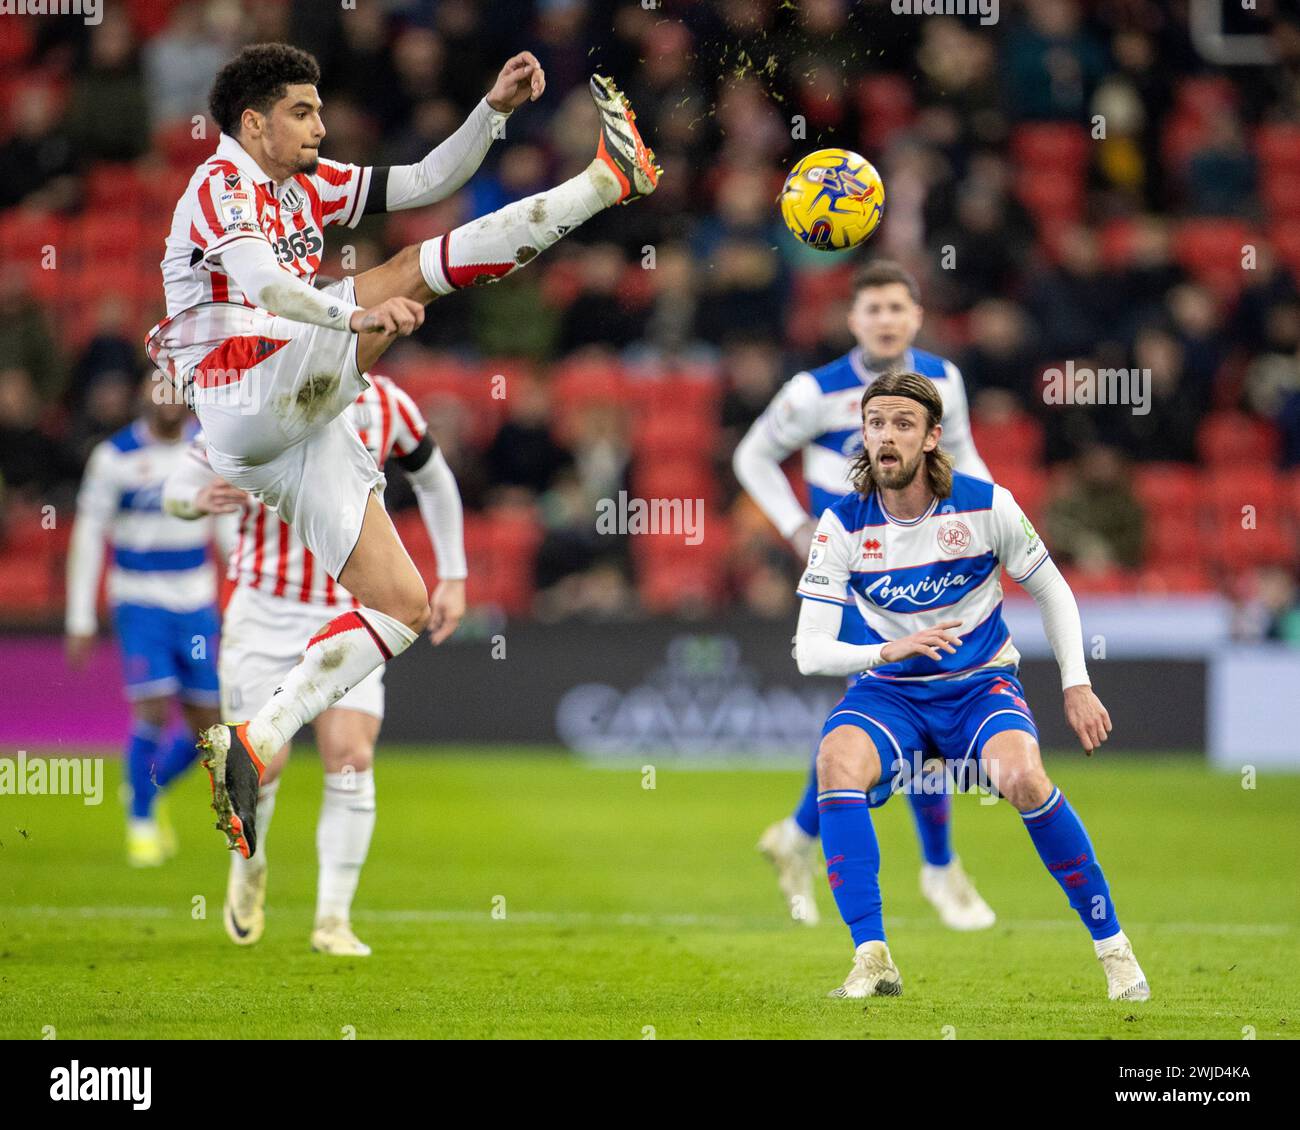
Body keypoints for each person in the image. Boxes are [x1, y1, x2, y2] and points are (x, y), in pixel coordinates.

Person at [144, 43, 660, 857]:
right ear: (253, 122)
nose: (320, 125)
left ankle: (254, 740)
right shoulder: (221, 184)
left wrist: (492, 110)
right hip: (242, 387)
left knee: (402, 604)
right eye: (302, 112)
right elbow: (263, 283)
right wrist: (348, 317)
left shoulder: (305, 181)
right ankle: (604, 182)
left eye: (318, 109)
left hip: (292, 423)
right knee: (413, 274)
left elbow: (422, 180)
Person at [793, 370, 1148, 1003]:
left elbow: (1052, 591)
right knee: (835, 761)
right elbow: (809, 649)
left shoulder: (987, 505)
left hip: (978, 687)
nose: (887, 437)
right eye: (876, 424)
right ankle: (872, 959)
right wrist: (887, 648)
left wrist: (1076, 684)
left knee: (1024, 779)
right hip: (890, 691)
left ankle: (1114, 948)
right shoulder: (841, 524)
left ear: (932, 437)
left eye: (903, 424)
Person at [164, 371, 465, 956]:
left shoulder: (388, 403)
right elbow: (181, 481)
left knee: (351, 756)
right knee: (257, 768)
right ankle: (249, 872)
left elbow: (434, 478)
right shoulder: (253, 395)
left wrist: (454, 573)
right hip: (263, 610)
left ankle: (333, 919)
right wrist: (192, 502)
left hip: (352, 612)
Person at [733, 260, 995, 930]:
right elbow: (751, 456)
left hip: (923, 562)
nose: (884, 319)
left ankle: (798, 836)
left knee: (895, 714)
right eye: (871, 308)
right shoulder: (812, 392)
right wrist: (793, 524)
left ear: (916, 317)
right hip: (851, 571)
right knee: (917, 695)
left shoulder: (944, 381)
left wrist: (996, 523)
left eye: (895, 308)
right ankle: (938, 869)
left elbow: (962, 458)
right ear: (852, 320)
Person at [65, 376, 222, 866]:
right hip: (138, 598)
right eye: (160, 390)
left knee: (209, 729)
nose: (169, 400)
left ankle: (147, 792)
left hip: (196, 599)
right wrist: (79, 616)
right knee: (152, 705)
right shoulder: (115, 457)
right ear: (143, 395)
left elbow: (230, 524)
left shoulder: (209, 447)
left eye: (177, 391)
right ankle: (140, 821)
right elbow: (89, 534)